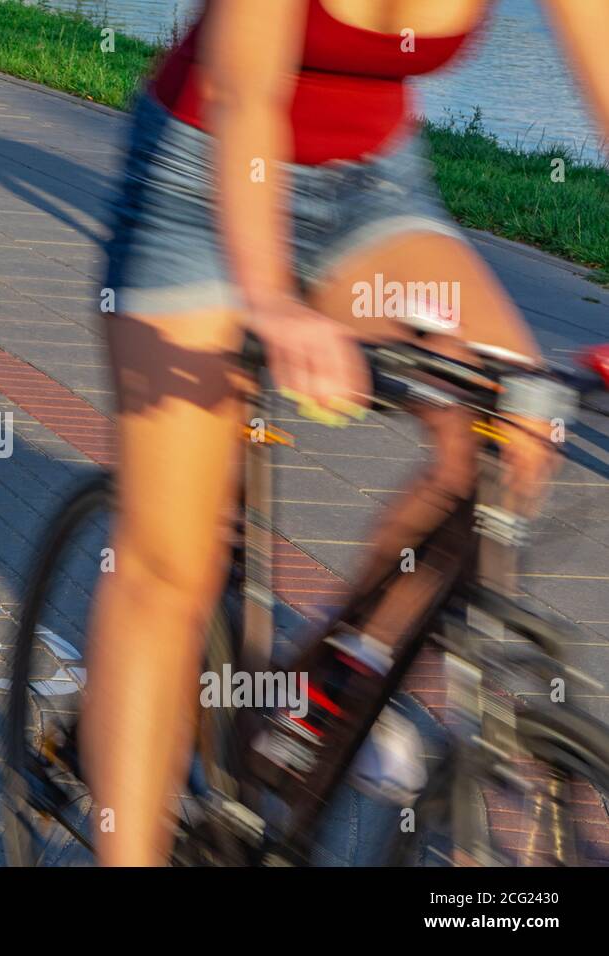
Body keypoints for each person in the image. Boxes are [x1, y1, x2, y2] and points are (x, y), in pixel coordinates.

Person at [85, 0, 609, 866]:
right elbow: (247, 93)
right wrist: (274, 304)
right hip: (202, 182)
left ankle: (320, 685)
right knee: (169, 568)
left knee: (514, 429)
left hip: (373, 185)